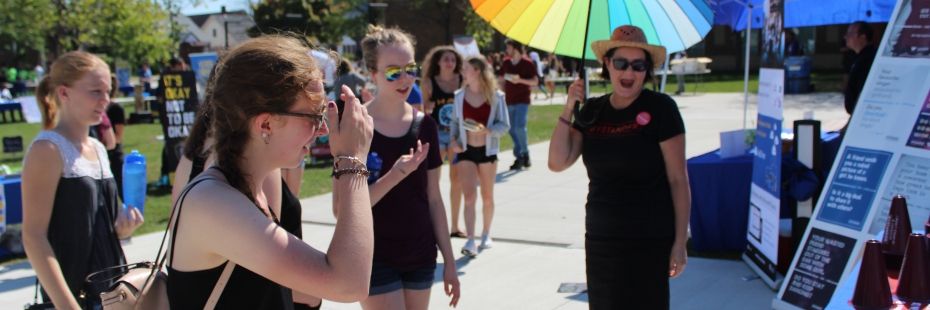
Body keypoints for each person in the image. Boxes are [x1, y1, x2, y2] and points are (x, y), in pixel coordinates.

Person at [166, 34, 376, 309]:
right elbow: (349, 284)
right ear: (266, 124)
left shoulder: (253, 184)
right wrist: (352, 160)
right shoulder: (211, 202)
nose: (323, 129)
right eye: (314, 115)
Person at [548, 25, 690, 309]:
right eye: (621, 63)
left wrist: (679, 242)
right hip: (602, 240)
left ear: (646, 70)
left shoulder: (662, 109)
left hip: (649, 239)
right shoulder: (592, 111)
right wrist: (568, 108)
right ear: (607, 64)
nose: (629, 73)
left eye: (638, 65)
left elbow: (678, 180)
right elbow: (557, 162)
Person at [170, 80, 322, 309]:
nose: (321, 127)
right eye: (311, 116)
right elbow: (273, 265)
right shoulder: (254, 165)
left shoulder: (191, 157)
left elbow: (176, 232)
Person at [22, 51, 145, 309]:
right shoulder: (48, 149)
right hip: (74, 296)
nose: (106, 100)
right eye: (95, 91)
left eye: (108, 91)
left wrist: (121, 230)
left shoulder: (99, 148)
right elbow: (33, 236)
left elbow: (90, 223)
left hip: (112, 294)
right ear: (64, 93)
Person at [354, 25, 460, 309]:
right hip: (374, 255)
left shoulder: (426, 125)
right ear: (373, 74)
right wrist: (395, 175)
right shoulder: (356, 126)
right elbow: (343, 207)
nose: (405, 79)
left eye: (410, 69)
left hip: (421, 256)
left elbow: (434, 200)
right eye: (393, 72)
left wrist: (449, 263)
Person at [450, 56, 510, 257]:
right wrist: (454, 141)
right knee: (469, 197)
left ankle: (486, 233)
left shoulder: (496, 96)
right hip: (466, 151)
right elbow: (455, 124)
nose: (462, 72)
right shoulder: (459, 96)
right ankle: (470, 241)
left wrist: (488, 131)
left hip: (487, 151)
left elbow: (504, 126)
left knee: (486, 196)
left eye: (466, 69)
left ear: (477, 72)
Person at [420, 45, 467, 238]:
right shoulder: (429, 83)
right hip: (436, 134)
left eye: (453, 60)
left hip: (456, 134)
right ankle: (432, 226)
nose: (450, 63)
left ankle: (455, 226)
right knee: (433, 181)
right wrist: (426, 107)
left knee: (457, 180)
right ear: (437, 62)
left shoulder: (463, 81)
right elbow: (420, 111)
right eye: (446, 59)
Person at [499, 39, 538, 170]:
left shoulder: (527, 63)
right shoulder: (506, 62)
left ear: (515, 49)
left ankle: (523, 153)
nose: (506, 50)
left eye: (508, 48)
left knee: (520, 127)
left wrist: (519, 80)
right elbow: (501, 80)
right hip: (509, 99)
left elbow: (535, 81)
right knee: (511, 129)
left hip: (522, 100)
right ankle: (521, 156)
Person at [153, 57, 188, 187]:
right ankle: (166, 175)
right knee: (169, 145)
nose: (181, 72)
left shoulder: (187, 78)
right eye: (179, 69)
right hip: (170, 120)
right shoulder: (164, 80)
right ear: (172, 68)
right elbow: (160, 99)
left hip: (184, 119)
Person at [844, 21, 876, 117]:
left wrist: (851, 123)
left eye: (850, 34)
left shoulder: (867, 59)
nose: (846, 37)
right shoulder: (862, 57)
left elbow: (863, 93)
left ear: (862, 38)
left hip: (864, 117)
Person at [106, 73, 127, 200]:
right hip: (101, 154)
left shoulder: (117, 108)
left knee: (122, 191)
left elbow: (118, 137)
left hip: (114, 154)